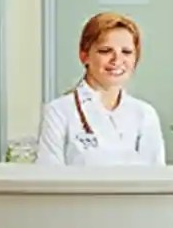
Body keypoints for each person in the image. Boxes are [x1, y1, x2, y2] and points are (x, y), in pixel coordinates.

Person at [36, 12, 165, 166]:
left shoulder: (144, 114)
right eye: (105, 51)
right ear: (84, 56)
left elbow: (156, 176)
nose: (117, 60)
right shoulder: (59, 112)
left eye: (126, 52)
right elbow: (49, 176)